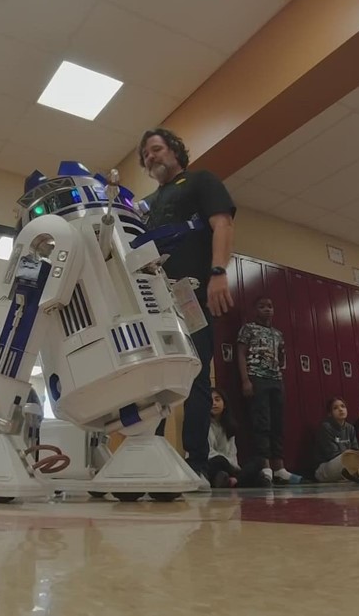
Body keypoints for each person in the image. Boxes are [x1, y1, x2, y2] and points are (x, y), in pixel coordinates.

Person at [138, 127, 235, 482]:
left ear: (175, 151)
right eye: (146, 154)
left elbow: (222, 224)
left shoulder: (200, 182)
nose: (151, 157)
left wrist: (218, 272)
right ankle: (152, 458)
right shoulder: (148, 204)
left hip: (189, 293)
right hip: (153, 300)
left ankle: (198, 463)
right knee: (154, 377)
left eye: (157, 149)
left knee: (194, 374)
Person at [236, 296, 299, 485]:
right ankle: (265, 467)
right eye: (262, 306)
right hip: (257, 378)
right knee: (261, 423)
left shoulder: (278, 334)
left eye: (270, 306)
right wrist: (245, 380)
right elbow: (240, 353)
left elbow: (281, 357)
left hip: (275, 380)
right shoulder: (248, 329)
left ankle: (279, 467)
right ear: (255, 310)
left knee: (277, 423)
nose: (267, 310)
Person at [313, 397, 359, 482]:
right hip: (325, 467)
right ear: (330, 413)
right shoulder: (326, 427)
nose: (340, 409)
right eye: (335, 408)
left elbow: (356, 449)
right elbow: (332, 454)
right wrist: (351, 456)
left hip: (347, 461)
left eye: (343, 406)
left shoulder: (350, 428)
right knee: (348, 459)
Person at [205, 388, 242, 488]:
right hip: (210, 463)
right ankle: (237, 479)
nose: (214, 403)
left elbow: (232, 453)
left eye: (217, 400)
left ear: (224, 404)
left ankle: (229, 479)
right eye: (210, 400)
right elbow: (208, 452)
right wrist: (229, 464)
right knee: (219, 461)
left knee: (258, 462)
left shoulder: (229, 426)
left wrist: (232, 465)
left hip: (228, 466)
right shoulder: (204, 424)